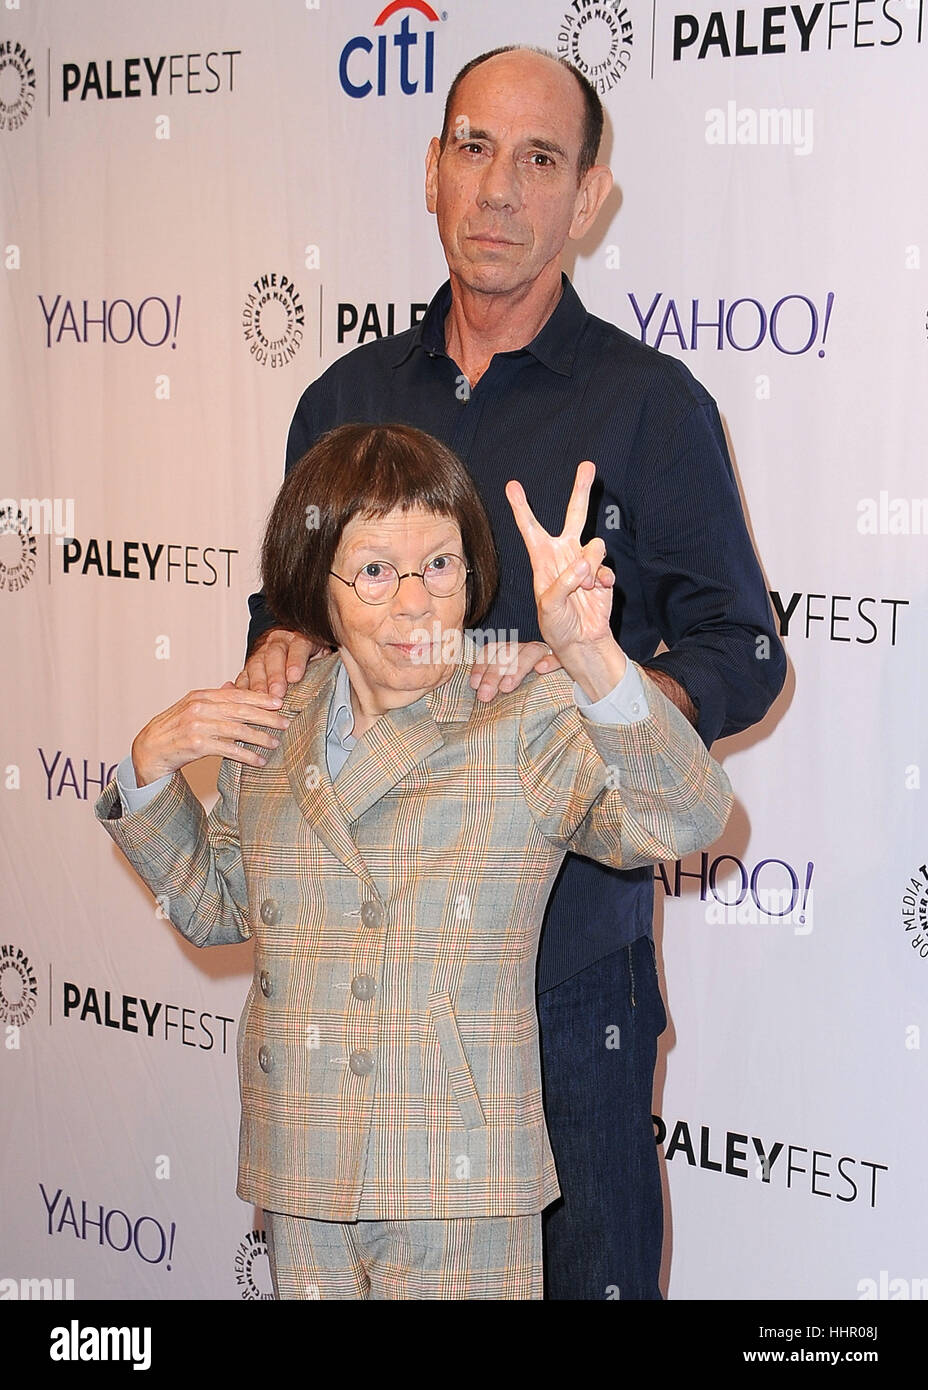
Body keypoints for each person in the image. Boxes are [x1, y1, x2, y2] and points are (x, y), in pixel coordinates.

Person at [240, 48, 786, 1299]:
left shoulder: (652, 406)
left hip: (560, 968)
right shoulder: (341, 399)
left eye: (540, 158)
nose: (498, 187)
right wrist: (279, 646)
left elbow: (742, 650)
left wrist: (591, 686)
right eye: (474, 148)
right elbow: (292, 613)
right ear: (430, 169)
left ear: (587, 196)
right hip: (357, 971)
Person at [94, 422, 733, 1300]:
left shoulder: (518, 712)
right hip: (304, 1167)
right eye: (374, 572)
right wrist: (146, 775)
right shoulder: (274, 722)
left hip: (459, 1183)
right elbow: (215, 909)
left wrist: (591, 655)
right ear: (314, 588)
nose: (413, 603)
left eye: (439, 565)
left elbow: (688, 816)